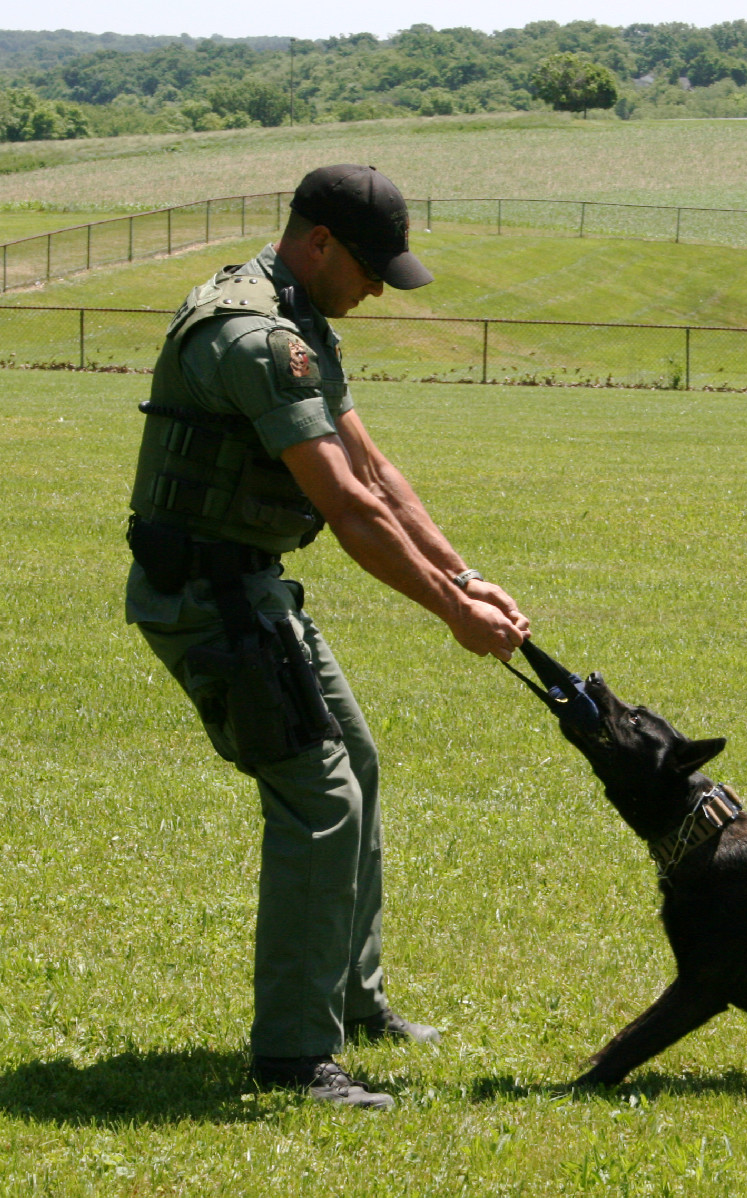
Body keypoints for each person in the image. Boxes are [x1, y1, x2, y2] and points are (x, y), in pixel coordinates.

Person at [124, 165, 529, 1110]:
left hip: (256, 588)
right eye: (372, 267)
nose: (381, 288)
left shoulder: (299, 319)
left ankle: (351, 999)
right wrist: (450, 612)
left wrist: (464, 575)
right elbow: (345, 506)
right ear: (317, 243)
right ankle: (293, 1059)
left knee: (357, 765)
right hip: (207, 599)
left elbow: (377, 470)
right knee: (320, 797)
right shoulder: (255, 337)